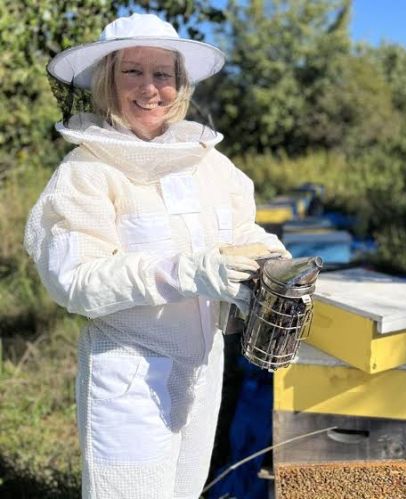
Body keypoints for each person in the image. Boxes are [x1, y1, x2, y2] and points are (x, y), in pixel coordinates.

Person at [24, 13, 288, 499]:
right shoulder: (87, 170)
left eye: (162, 74)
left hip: (204, 370)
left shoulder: (210, 162)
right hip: (128, 374)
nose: (150, 88)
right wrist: (187, 272)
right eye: (133, 72)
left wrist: (272, 259)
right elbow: (75, 279)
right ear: (107, 80)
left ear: (179, 83)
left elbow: (242, 230)